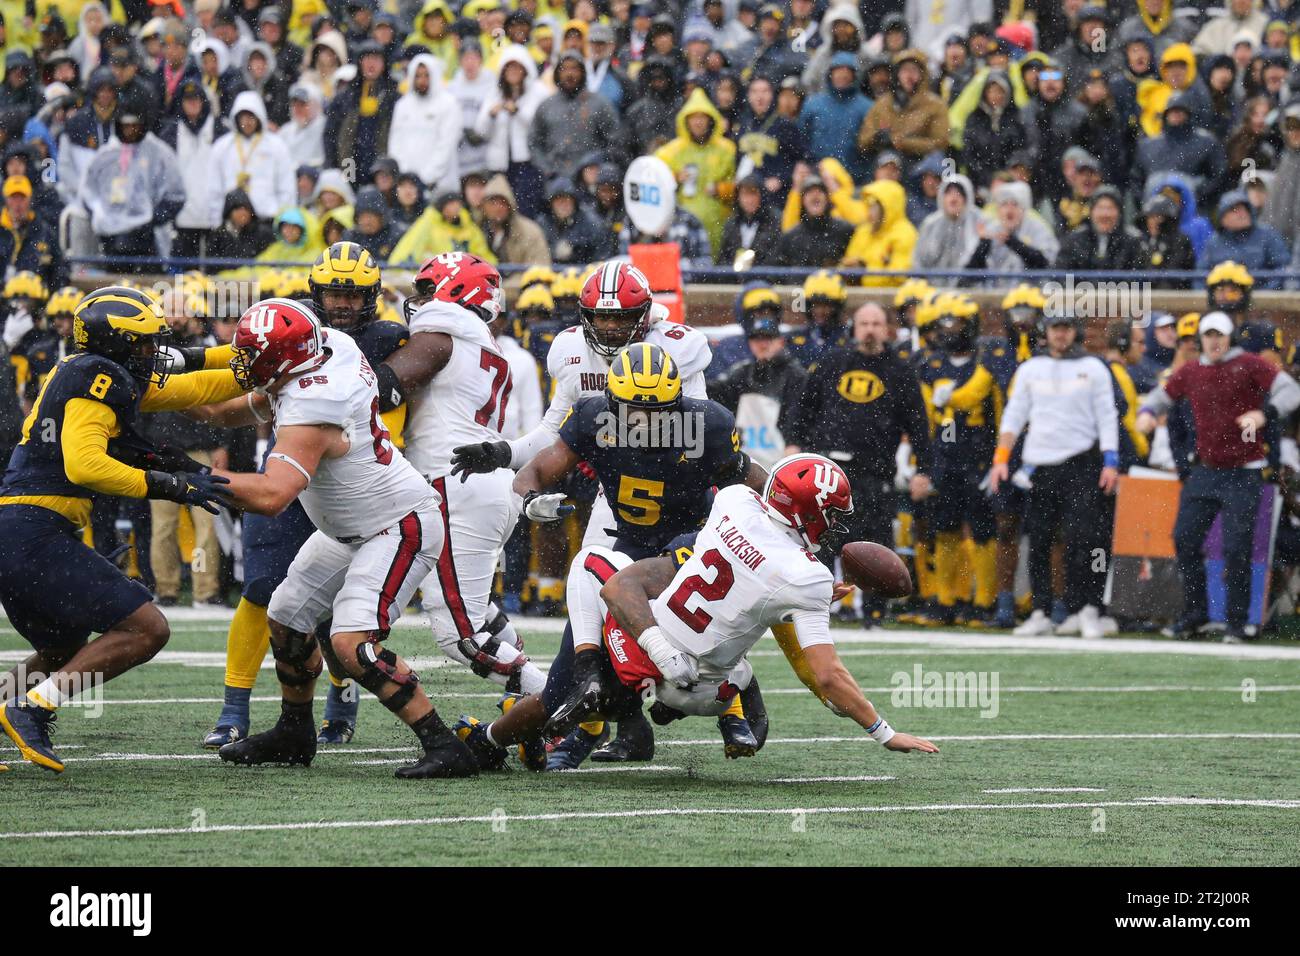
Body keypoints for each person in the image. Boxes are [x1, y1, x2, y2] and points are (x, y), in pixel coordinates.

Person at [197, 297, 475, 779]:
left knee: (351, 644)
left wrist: (188, 478)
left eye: (252, 355)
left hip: (397, 523)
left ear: (285, 358)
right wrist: (153, 384)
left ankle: (444, 744)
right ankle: (294, 732)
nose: (243, 363)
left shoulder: (315, 404)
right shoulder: (332, 348)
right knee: (285, 618)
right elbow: (226, 412)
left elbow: (272, 495)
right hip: (349, 527)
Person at [448, 261, 713, 765]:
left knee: (687, 608)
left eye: (622, 318)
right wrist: (504, 453)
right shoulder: (570, 348)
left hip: (676, 505)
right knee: (593, 603)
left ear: (645, 314)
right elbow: (555, 428)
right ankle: (621, 722)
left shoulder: (679, 345)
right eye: (601, 317)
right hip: (617, 499)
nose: (610, 327)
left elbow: (695, 434)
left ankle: (733, 703)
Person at [532, 458, 939, 759]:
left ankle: (590, 675)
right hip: (705, 695)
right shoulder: (806, 577)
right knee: (738, 662)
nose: (833, 524)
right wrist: (884, 733)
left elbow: (745, 570)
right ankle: (725, 715)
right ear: (809, 511)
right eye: (830, 514)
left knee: (590, 561)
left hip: (637, 657)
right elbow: (828, 675)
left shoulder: (734, 501)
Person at [0, 286, 243, 773]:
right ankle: (30, 706)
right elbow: (86, 464)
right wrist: (169, 484)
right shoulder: (98, 374)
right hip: (33, 530)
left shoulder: (93, 371)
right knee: (146, 628)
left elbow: (196, 387)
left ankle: (21, 702)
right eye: (143, 343)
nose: (153, 352)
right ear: (115, 344)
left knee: (61, 648)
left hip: (22, 530)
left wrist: (253, 360)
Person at [202, 243, 409, 749]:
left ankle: (341, 696)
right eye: (332, 293)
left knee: (340, 603)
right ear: (314, 292)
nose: (340, 303)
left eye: (351, 294)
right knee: (263, 589)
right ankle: (234, 709)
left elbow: (396, 399)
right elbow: (239, 377)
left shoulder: (389, 341)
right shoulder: (292, 326)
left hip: (348, 482)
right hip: (288, 471)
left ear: (372, 297)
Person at [371, 253, 550, 735]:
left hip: (454, 484)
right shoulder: (485, 346)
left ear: (454, 294)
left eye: (430, 290)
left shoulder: (441, 336)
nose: (422, 300)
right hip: (477, 484)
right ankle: (529, 704)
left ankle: (558, 699)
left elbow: (384, 388)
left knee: (460, 635)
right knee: (469, 606)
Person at [1137, 313, 1300, 642]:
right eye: (1208, 335)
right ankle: (1197, 613)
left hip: (1244, 471)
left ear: (1229, 338)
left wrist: (1263, 413)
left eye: (1220, 335)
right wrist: (1147, 413)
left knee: (1237, 547)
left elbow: (1291, 392)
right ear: (1201, 339)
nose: (1214, 341)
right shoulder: (1192, 370)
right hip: (1206, 470)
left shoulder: (1250, 364)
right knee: (1184, 539)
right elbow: (1161, 394)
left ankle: (1237, 623)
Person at [785, 301, 932, 625]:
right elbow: (803, 408)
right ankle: (817, 609)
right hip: (830, 471)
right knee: (820, 542)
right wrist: (793, 443)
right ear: (854, 327)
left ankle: (875, 613)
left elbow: (919, 426)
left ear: (887, 329)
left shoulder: (900, 370)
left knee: (875, 546)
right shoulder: (833, 362)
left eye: (876, 323)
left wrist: (924, 471)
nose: (869, 330)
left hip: (875, 472)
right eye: (864, 323)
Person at [990, 311, 1119, 640]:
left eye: (1066, 329)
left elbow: (1107, 414)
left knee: (1084, 539)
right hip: (1040, 465)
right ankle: (1041, 610)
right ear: (1046, 332)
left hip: (1081, 462)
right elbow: (1014, 414)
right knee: (1040, 540)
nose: (1060, 335)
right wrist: (1001, 458)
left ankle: (1087, 608)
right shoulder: (1031, 368)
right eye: (1055, 329)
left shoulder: (1093, 368)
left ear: (1074, 332)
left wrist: (1110, 460)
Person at [145, 289, 229, 609]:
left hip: (197, 449)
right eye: (170, 311)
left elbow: (221, 401)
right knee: (163, 526)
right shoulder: (151, 349)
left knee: (204, 525)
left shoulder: (206, 350)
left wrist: (220, 443)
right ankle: (166, 589)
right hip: (161, 450)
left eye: (180, 311)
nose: (175, 318)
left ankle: (204, 590)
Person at [79, 112, 186, 271]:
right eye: (126, 126)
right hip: (112, 236)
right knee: (116, 287)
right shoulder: (106, 155)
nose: (130, 130)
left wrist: (151, 220)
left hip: (149, 238)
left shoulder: (159, 152)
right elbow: (88, 192)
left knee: (147, 287)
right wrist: (100, 213)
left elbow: (177, 196)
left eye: (135, 126)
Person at [711, 310, 806, 471]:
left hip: (780, 457)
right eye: (756, 339)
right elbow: (716, 392)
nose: (762, 344)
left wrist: (793, 443)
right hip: (747, 458)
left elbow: (798, 414)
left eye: (768, 338)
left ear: (780, 342)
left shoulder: (795, 374)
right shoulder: (742, 372)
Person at [389, 52, 461, 197]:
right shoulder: (403, 105)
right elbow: (395, 143)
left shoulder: (449, 104)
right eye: (418, 76)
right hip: (408, 186)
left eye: (426, 75)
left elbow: (446, 145)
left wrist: (426, 178)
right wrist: (406, 177)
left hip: (440, 185)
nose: (422, 80)